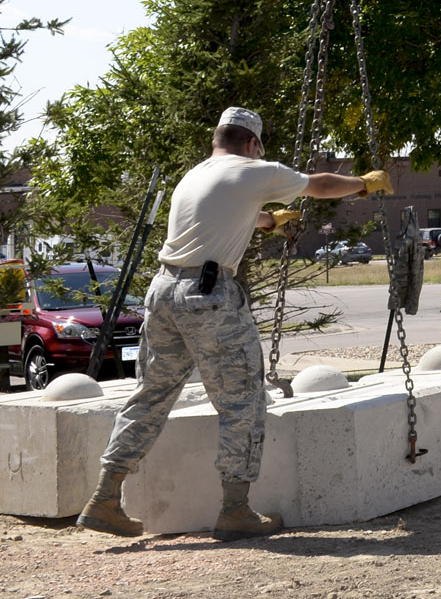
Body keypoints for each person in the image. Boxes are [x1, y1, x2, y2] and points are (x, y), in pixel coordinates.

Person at [75, 107, 390, 539]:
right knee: (242, 399)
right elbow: (318, 185)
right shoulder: (252, 170)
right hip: (209, 296)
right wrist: (363, 184)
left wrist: (268, 221)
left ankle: (105, 498)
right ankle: (235, 510)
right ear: (252, 143)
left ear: (217, 139)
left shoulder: (196, 175)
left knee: (150, 396)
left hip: (164, 292)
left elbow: (227, 216)